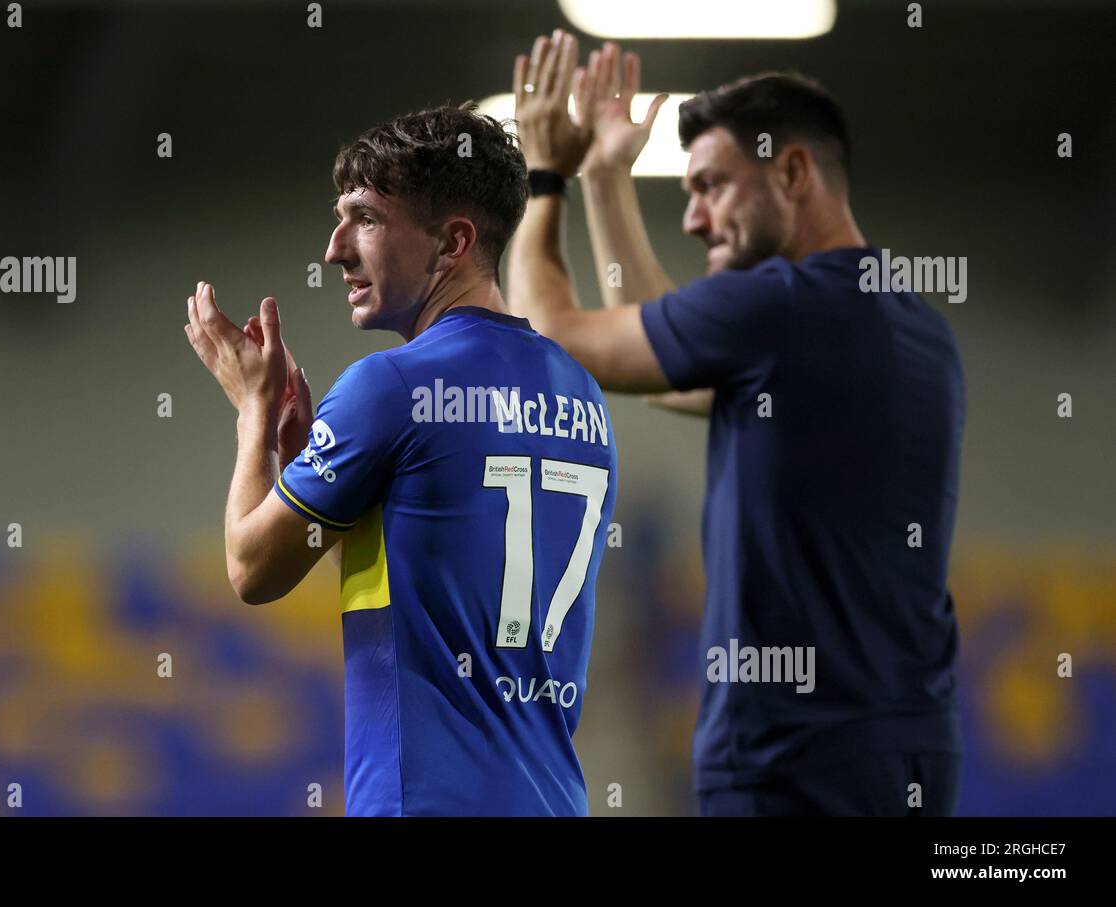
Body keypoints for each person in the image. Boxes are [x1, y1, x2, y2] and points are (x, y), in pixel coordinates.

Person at [506, 30, 963, 816]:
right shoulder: (914, 325)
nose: (693, 218)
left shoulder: (779, 305)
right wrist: (607, 175)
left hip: (786, 761)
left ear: (793, 172)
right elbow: (662, 354)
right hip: (907, 756)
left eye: (712, 186)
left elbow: (553, 336)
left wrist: (546, 173)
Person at [183, 103, 617, 816]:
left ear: (452, 242)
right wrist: (307, 455)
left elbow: (251, 568)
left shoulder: (394, 385)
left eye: (366, 218)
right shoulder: (583, 396)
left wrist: (253, 414)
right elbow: (418, 572)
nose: (334, 248)